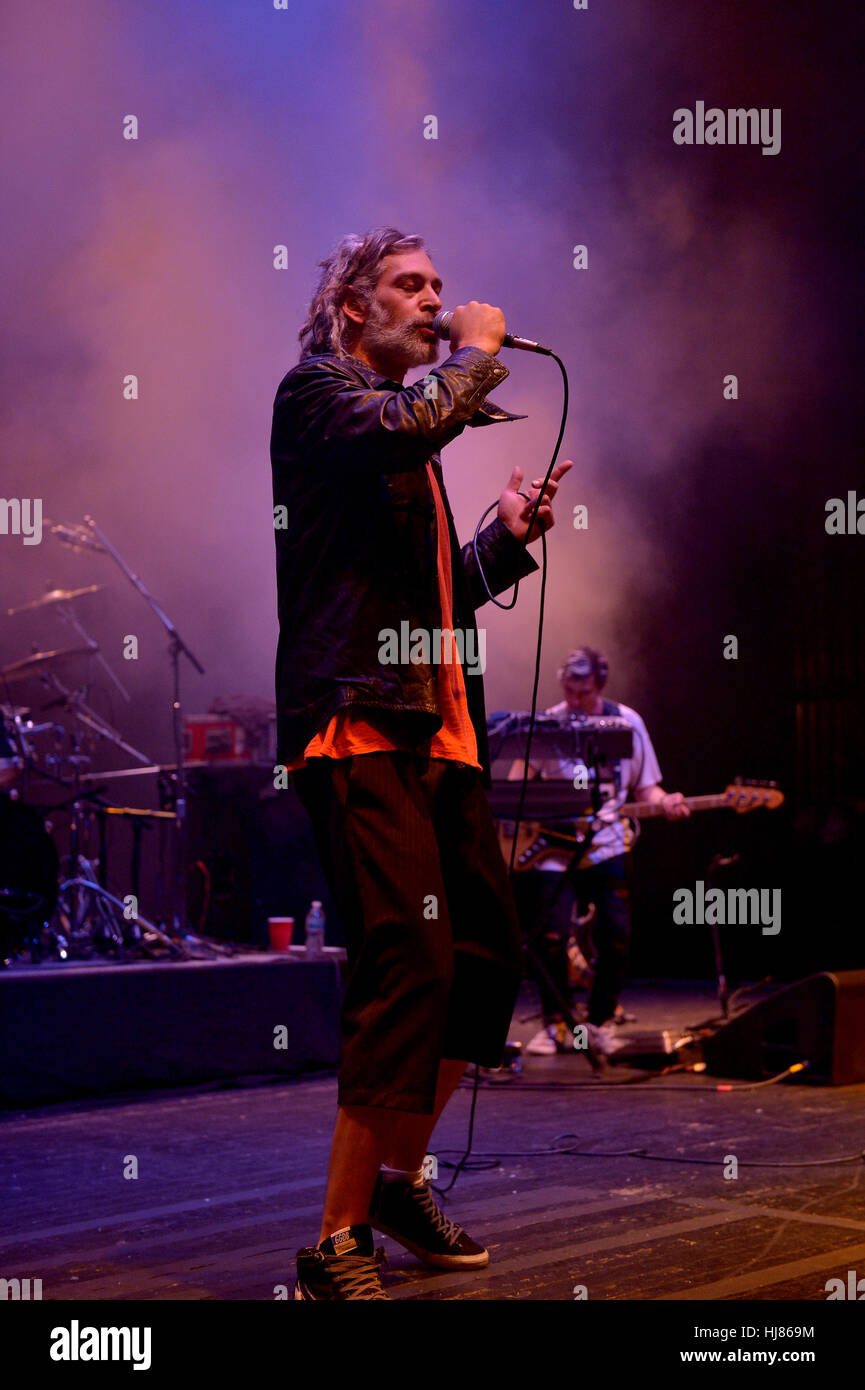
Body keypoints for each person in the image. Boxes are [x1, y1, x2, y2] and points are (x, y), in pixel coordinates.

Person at [271, 227, 572, 1298]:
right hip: (357, 723)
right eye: (411, 285)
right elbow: (406, 423)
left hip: (439, 730)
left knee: (483, 958)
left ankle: (401, 1179)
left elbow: (436, 597)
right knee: (406, 962)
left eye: (443, 286)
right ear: (352, 307)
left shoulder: (408, 438)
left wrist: (500, 541)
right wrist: (476, 353)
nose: (436, 299)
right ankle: (336, 1237)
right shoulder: (316, 398)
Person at [508, 647, 689, 1061]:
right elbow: (519, 783)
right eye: (568, 691)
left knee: (616, 934)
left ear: (601, 687)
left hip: (607, 843)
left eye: (583, 693)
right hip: (554, 847)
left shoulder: (628, 724)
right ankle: (556, 1024)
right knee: (548, 937)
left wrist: (666, 801)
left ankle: (598, 1022)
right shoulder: (549, 725)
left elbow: (647, 788)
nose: (574, 701)